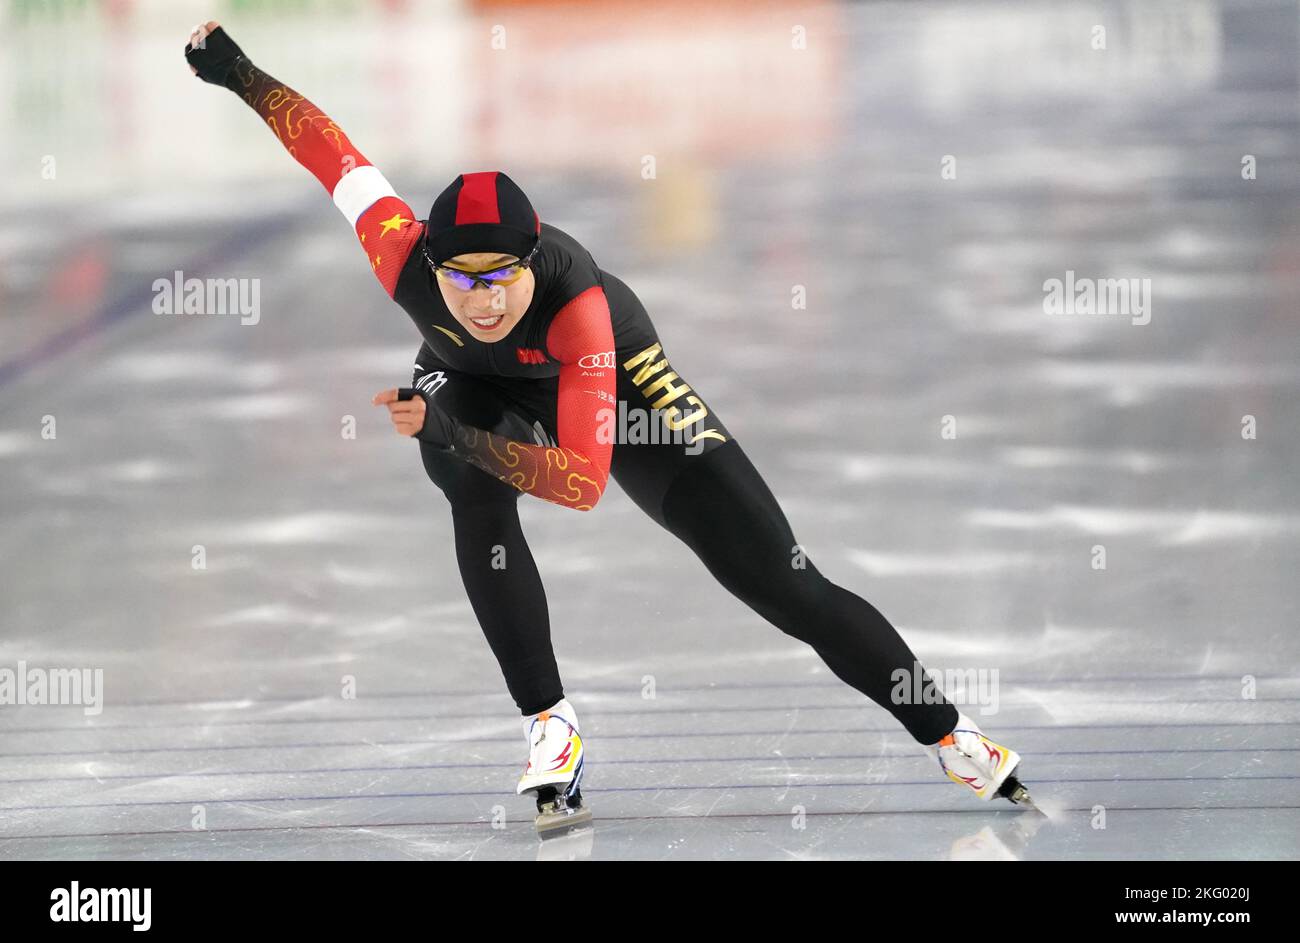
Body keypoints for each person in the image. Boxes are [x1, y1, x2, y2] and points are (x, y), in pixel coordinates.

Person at [184, 20, 1036, 833]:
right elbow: (330, 151)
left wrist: (448, 431)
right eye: (460, 281)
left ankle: (951, 735)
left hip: (619, 394)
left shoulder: (579, 308)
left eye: (501, 279)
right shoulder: (399, 251)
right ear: (427, 261)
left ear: (531, 263)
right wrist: (240, 74)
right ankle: (549, 724)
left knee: (786, 583)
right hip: (482, 387)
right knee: (465, 481)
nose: (482, 300)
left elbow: (582, 484)